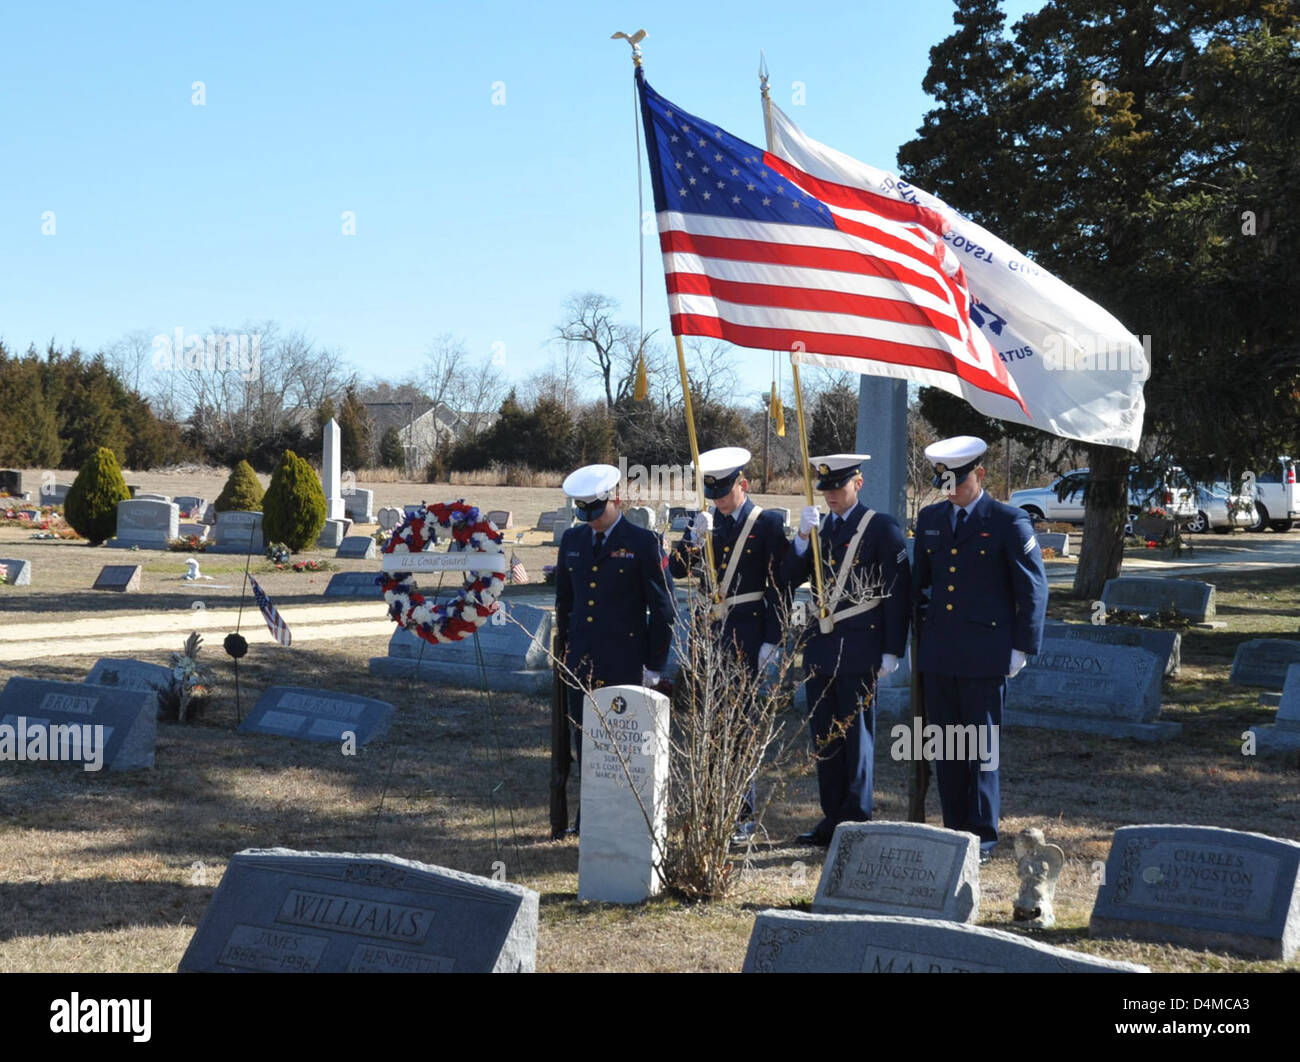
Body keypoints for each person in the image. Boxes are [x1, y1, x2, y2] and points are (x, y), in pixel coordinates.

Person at [912, 436, 1047, 863]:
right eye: (944, 482)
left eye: (958, 481)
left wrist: (1022, 647)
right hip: (939, 654)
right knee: (948, 747)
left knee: (980, 750)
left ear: (981, 475)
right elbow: (920, 585)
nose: (950, 490)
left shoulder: (1008, 520)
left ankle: (983, 836)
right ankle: (955, 830)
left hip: (985, 653)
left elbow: (1033, 587)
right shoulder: (932, 518)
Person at [780, 454, 910, 846]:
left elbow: (898, 594)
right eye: (826, 490)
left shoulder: (881, 529)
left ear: (859, 483)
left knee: (855, 737)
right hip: (821, 648)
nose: (831, 496)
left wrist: (893, 650)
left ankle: (854, 820)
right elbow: (787, 579)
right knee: (824, 738)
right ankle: (831, 816)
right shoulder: (818, 530)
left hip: (860, 646)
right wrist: (801, 541)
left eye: (838, 487)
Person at [668, 446, 789, 838]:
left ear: (744, 484)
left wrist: (773, 637)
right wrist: (691, 540)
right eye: (713, 492)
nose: (719, 500)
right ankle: (709, 808)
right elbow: (679, 570)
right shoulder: (705, 522)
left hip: (747, 631)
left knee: (739, 727)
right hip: (707, 634)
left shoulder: (765, 523)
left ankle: (742, 813)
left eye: (724, 492)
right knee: (706, 725)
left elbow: (780, 585)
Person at [554, 463, 676, 830]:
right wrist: (568, 648)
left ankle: (623, 814)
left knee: (625, 741)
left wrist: (654, 665)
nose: (591, 519)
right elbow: (565, 602)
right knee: (584, 737)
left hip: (625, 660)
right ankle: (588, 812)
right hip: (582, 659)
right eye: (584, 511)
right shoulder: (573, 541)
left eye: (597, 510)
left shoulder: (643, 543)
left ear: (616, 498)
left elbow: (664, 609)